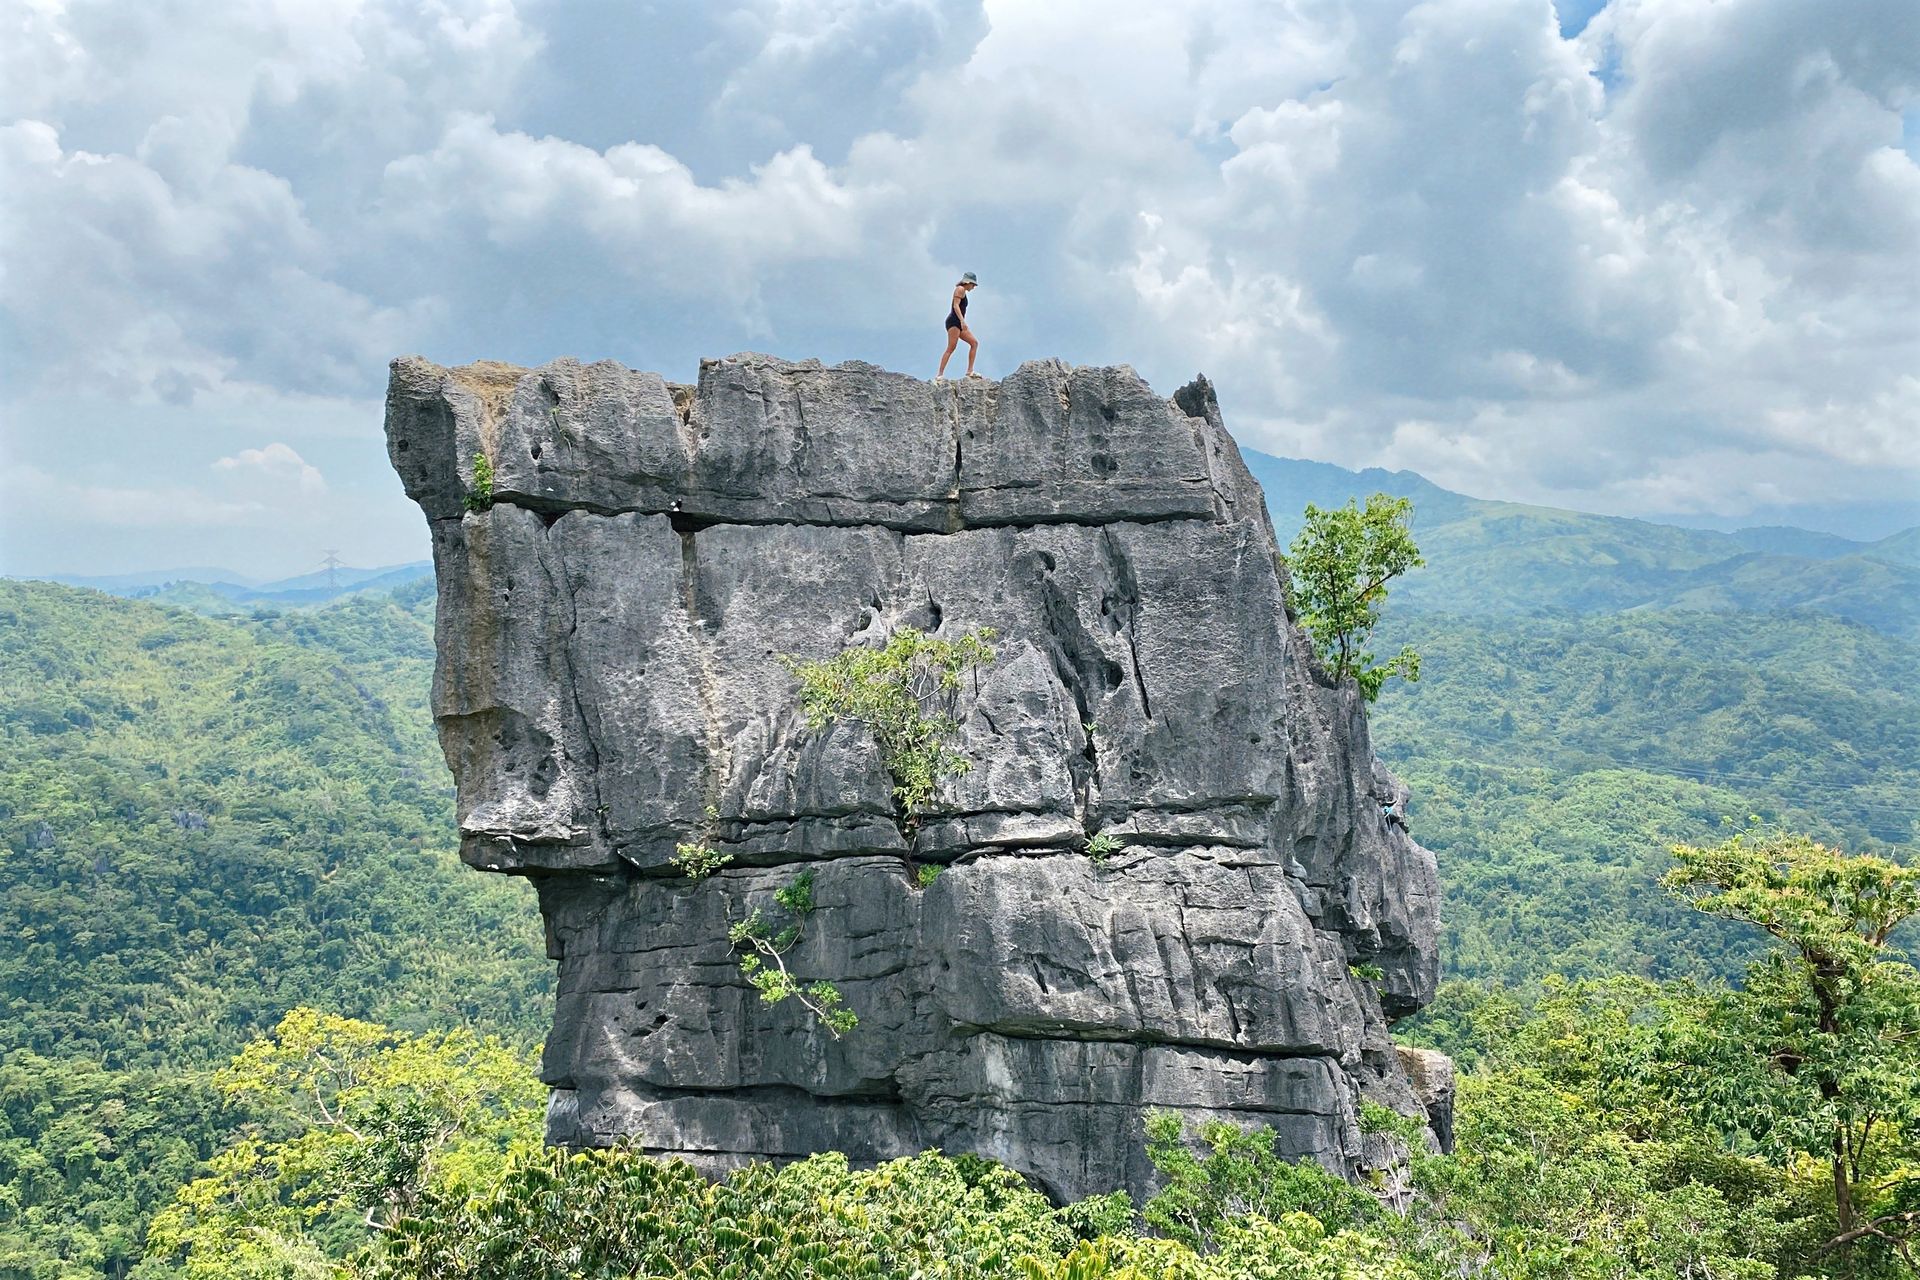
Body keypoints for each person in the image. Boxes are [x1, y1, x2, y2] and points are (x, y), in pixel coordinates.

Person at [937, 272, 980, 379]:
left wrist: (962, 322)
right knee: (951, 348)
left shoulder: (963, 291)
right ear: (968, 282)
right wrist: (962, 321)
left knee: (974, 343)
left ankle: (970, 371)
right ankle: (940, 375)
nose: (973, 287)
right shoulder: (960, 289)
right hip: (954, 322)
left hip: (959, 323)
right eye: (973, 285)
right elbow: (955, 305)